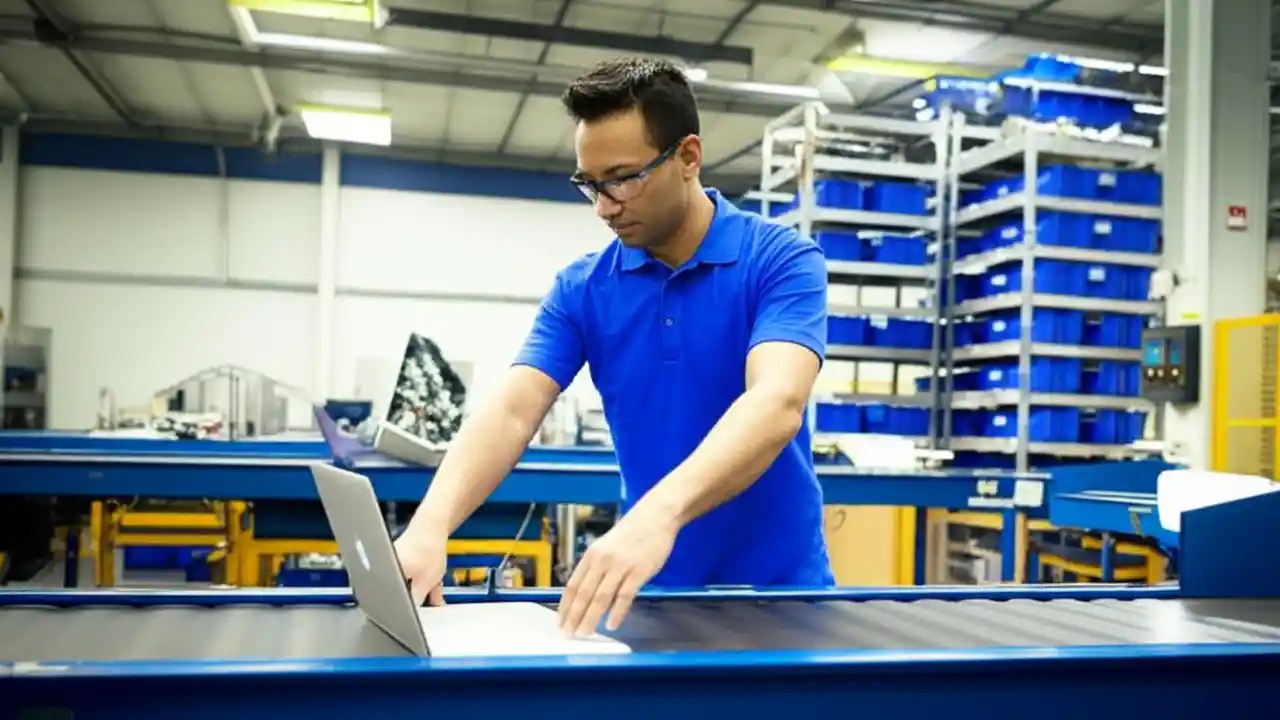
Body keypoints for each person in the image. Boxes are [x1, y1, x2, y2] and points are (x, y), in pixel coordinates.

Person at [394, 56, 833, 638]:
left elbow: (775, 402)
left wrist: (658, 514)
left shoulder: (779, 261)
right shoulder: (583, 288)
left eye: (622, 178)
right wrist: (430, 526)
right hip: (646, 600)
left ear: (688, 157)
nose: (604, 206)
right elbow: (513, 409)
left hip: (784, 600)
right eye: (589, 184)